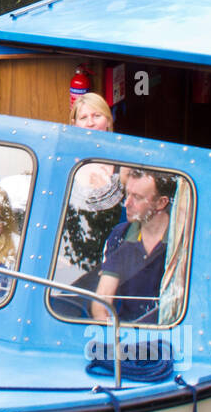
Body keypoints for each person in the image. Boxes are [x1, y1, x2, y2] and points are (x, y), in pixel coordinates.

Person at [89, 168, 175, 323]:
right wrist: (104, 325)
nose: (127, 203)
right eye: (127, 194)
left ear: (161, 202)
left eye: (137, 197)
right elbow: (102, 300)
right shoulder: (120, 235)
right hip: (125, 333)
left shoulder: (180, 239)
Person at [60, 92, 125, 272]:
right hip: (67, 261)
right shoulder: (64, 161)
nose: (90, 123)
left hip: (113, 262)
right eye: (83, 117)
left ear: (109, 121)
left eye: (97, 116)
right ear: (74, 124)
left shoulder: (123, 162)